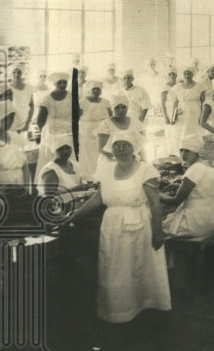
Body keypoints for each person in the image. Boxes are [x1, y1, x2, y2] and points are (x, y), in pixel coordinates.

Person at [69, 130, 171, 323]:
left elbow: (156, 204)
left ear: (134, 148)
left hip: (140, 225)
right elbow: (99, 197)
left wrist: (158, 232)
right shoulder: (106, 170)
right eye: (117, 145)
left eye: (126, 145)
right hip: (112, 224)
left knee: (140, 268)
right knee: (115, 270)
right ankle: (119, 311)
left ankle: (145, 309)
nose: (121, 149)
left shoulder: (145, 170)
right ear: (111, 149)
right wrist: (74, 215)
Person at [161, 135, 214, 238]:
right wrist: (178, 185)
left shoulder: (194, 169)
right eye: (181, 150)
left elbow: (176, 201)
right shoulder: (209, 168)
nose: (183, 154)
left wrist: (158, 195)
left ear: (196, 152)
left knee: (157, 227)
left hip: (195, 222)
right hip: (209, 218)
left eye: (187, 151)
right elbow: (200, 189)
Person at [35, 72, 74, 175]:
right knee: (51, 156)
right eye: (59, 82)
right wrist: (43, 134)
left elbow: (76, 113)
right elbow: (40, 119)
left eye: (64, 82)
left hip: (67, 128)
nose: (62, 85)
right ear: (54, 84)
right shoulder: (47, 99)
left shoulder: (71, 96)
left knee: (69, 153)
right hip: (51, 130)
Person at [96, 95, 144, 168]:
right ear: (112, 108)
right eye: (117, 107)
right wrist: (121, 159)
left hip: (133, 159)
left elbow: (141, 145)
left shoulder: (136, 123)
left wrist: (139, 159)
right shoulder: (105, 124)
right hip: (110, 161)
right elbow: (102, 149)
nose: (121, 110)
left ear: (127, 107)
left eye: (123, 107)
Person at [78, 81, 112, 178]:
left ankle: (103, 174)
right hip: (87, 131)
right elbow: (77, 117)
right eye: (94, 89)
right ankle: (91, 176)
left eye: (98, 89)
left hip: (103, 130)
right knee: (89, 154)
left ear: (101, 91)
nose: (96, 91)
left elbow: (111, 117)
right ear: (90, 90)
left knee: (103, 152)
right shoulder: (82, 102)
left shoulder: (106, 102)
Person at [173, 68, 206, 139]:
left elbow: (203, 102)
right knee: (183, 132)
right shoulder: (177, 87)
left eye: (189, 74)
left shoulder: (199, 86)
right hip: (182, 111)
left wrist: (202, 116)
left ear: (193, 75)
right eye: (185, 74)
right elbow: (175, 102)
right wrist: (174, 116)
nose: (187, 76)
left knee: (195, 132)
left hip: (195, 112)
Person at [5, 66, 35, 134]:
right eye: (14, 72)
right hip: (11, 120)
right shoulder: (7, 88)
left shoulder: (28, 88)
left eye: (19, 72)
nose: (16, 74)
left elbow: (32, 106)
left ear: (22, 73)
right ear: (11, 73)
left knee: (22, 142)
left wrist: (28, 123)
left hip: (23, 119)